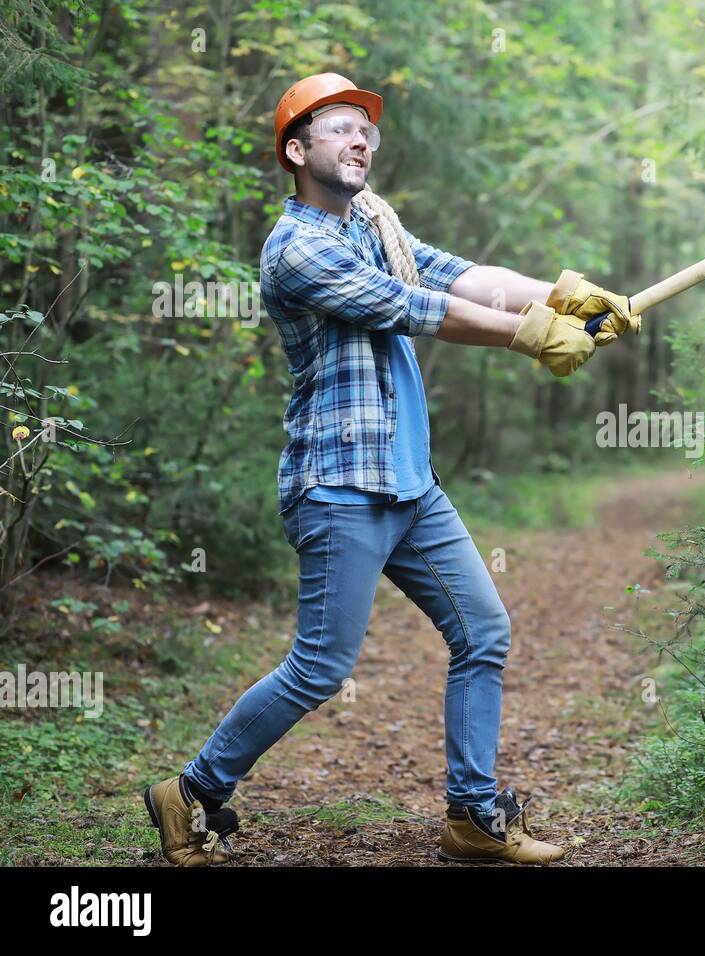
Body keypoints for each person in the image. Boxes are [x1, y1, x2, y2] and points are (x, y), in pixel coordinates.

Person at [142, 72, 639, 866]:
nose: (360, 139)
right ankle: (193, 790)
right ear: (298, 151)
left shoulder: (376, 226)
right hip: (339, 486)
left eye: (365, 129)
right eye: (339, 128)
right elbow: (413, 308)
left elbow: (462, 277)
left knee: (483, 632)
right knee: (321, 667)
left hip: (411, 483)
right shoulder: (297, 248)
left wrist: (563, 294)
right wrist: (530, 335)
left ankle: (473, 816)